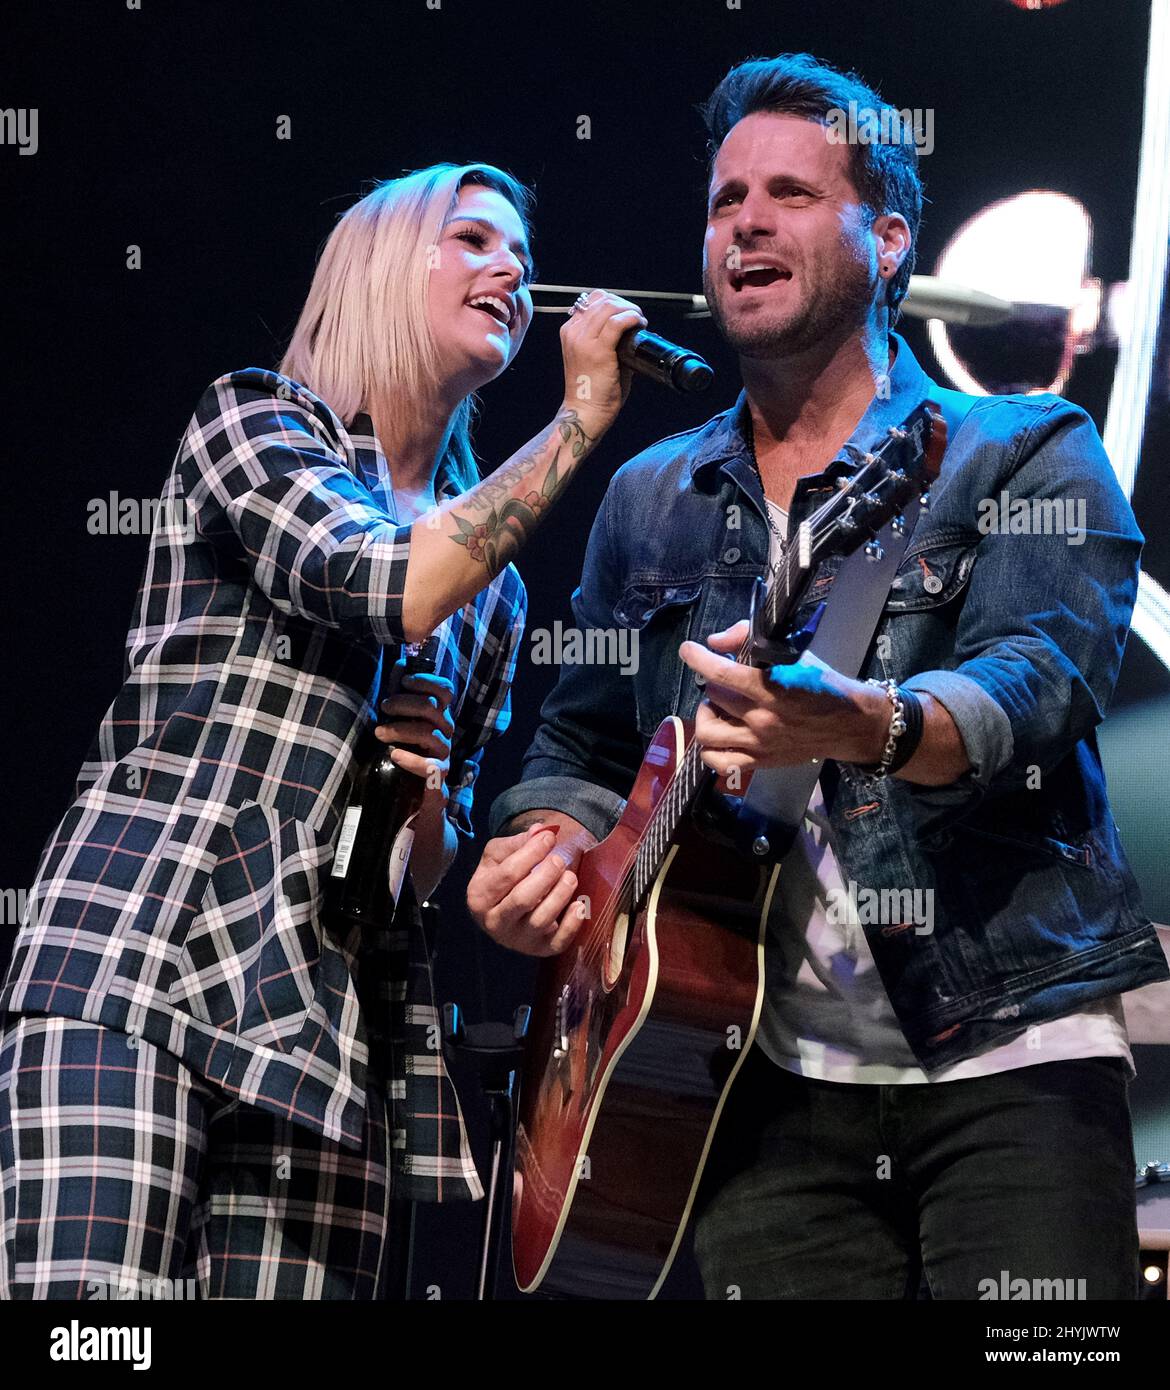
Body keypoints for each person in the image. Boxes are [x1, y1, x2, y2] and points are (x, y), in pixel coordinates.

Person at [468, 56, 1170, 1300]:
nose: (744, 219)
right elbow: (577, 749)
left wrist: (869, 723)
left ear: (889, 240)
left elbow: (1040, 682)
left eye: (790, 192)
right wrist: (543, 850)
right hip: (748, 1090)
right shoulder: (650, 495)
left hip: (1010, 1057)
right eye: (726, 197)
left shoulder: (1025, 448)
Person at [0, 161, 645, 1299]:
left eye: (522, 256)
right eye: (475, 240)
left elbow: (429, 864)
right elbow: (381, 580)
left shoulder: (492, 589)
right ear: (384, 265)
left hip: (325, 1022)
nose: (514, 270)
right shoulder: (255, 420)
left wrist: (427, 782)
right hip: (144, 960)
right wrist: (580, 417)